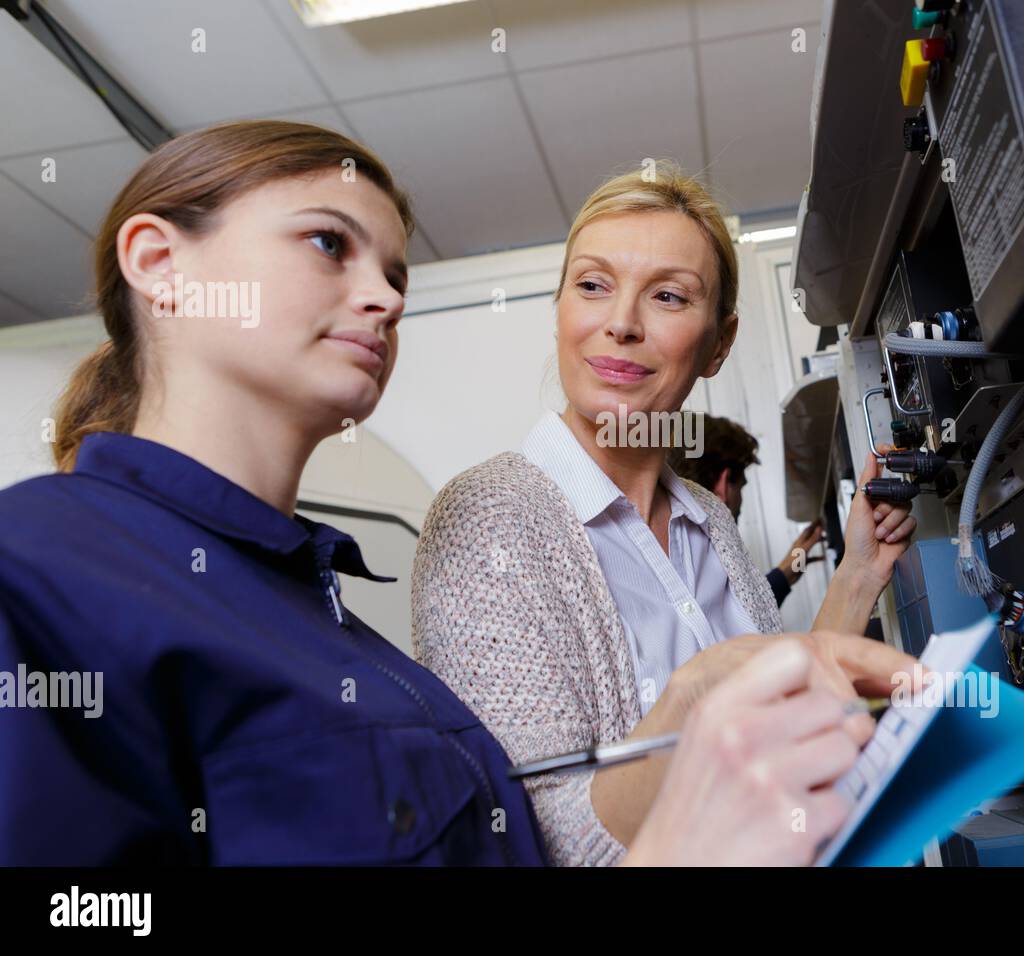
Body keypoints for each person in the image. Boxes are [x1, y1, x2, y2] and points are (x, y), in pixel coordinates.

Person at [0, 121, 917, 867]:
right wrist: (688, 725)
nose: (389, 299)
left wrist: (855, 583)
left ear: (716, 344)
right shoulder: (45, 570)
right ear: (159, 265)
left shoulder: (320, 607)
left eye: (395, 274)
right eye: (329, 243)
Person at [412, 162, 918, 865]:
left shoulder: (708, 515)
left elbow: (788, 711)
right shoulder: (487, 519)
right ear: (560, 310)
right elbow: (536, 835)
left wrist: (859, 574)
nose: (620, 324)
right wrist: (693, 702)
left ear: (719, 343)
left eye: (669, 297)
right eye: (592, 286)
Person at [667, 412, 831, 608]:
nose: (741, 498)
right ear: (724, 484)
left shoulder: (675, 550)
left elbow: (749, 611)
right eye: (741, 486)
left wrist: (791, 569)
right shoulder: (709, 562)